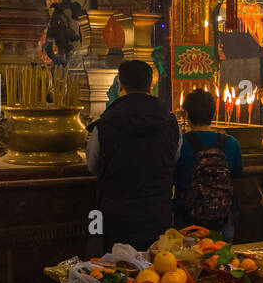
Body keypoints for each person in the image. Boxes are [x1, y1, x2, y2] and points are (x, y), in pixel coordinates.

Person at [86, 59, 181, 251]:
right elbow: (175, 157)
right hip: (157, 217)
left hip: (115, 220)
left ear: (120, 84)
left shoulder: (104, 125)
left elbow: (92, 166)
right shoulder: (171, 123)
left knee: (116, 274)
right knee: (156, 274)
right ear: (150, 85)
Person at [175, 89, 242, 242]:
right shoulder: (231, 142)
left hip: (187, 220)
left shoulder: (180, 143)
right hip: (222, 219)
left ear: (186, 114)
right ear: (213, 113)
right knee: (222, 262)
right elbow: (237, 174)